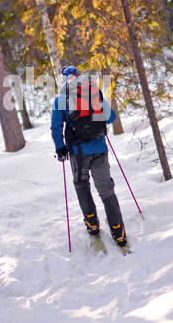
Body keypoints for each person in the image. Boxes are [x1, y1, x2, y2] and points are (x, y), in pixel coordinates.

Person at [52, 65, 128, 248]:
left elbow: (56, 128)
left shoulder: (61, 99)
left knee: (81, 185)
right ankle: (118, 231)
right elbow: (110, 117)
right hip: (99, 148)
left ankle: (92, 224)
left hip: (78, 153)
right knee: (106, 190)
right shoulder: (94, 93)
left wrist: (60, 148)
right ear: (79, 76)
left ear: (64, 80)